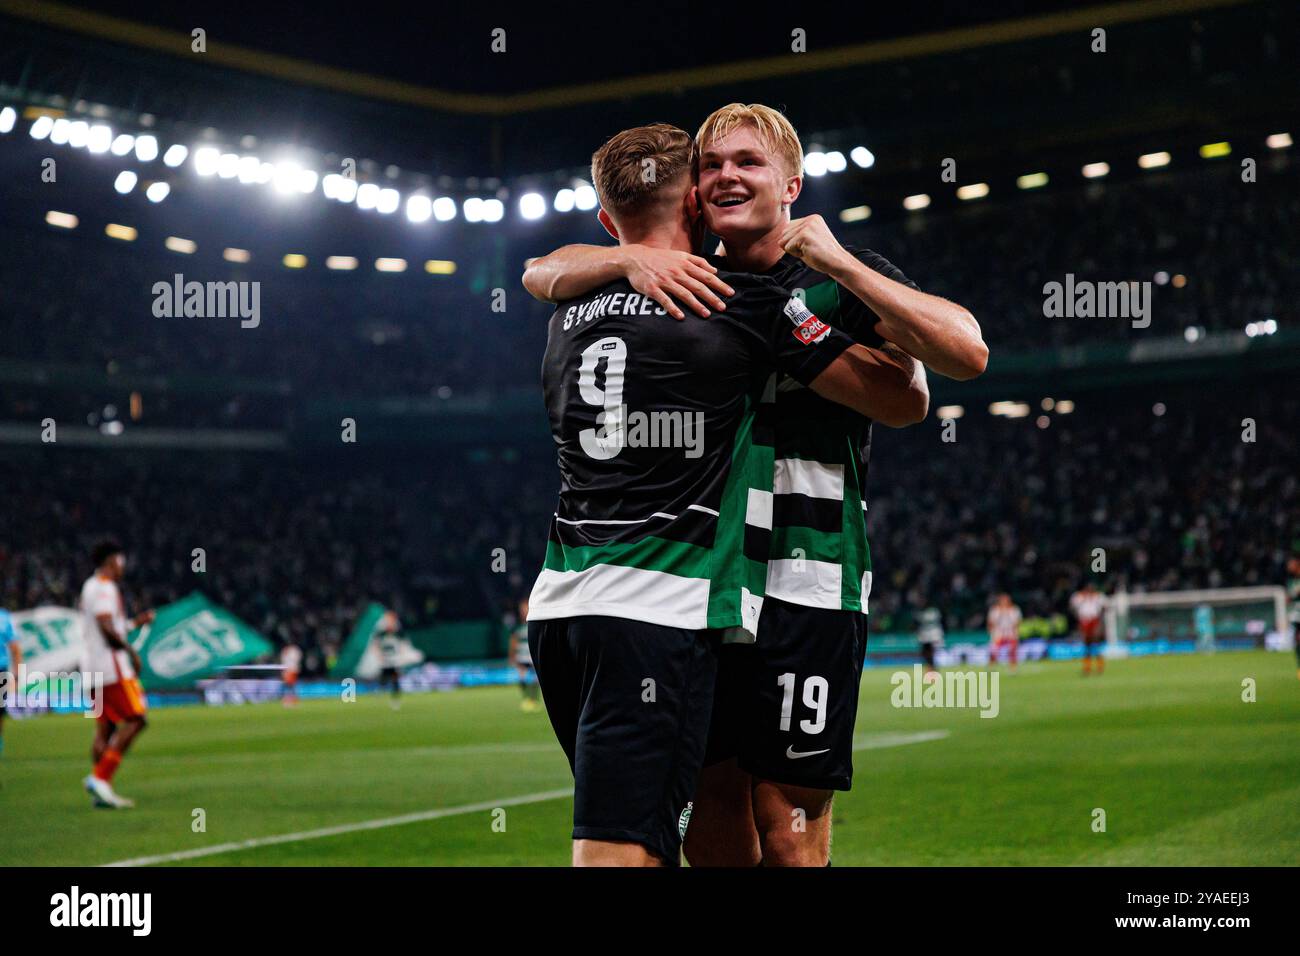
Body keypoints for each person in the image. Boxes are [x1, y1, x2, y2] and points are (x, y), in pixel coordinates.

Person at [525, 103, 983, 866]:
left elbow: (956, 360)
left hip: (810, 576)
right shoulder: (685, 281)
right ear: (695, 195)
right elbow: (544, 268)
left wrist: (839, 264)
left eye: (748, 162)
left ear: (792, 183)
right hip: (709, 591)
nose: (727, 175)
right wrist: (628, 259)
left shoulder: (834, 281)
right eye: (712, 166)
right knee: (712, 823)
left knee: (790, 831)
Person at [79, 538, 154, 809]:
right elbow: (106, 627)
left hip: (91, 668)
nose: (123, 565)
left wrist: (136, 622)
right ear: (111, 561)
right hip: (111, 668)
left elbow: (113, 625)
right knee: (137, 719)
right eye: (121, 560)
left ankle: (100, 791)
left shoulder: (90, 586)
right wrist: (131, 652)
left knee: (105, 728)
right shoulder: (104, 587)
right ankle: (100, 779)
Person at [507, 599, 540, 712]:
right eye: (522, 609)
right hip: (522, 657)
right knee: (522, 679)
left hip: (533, 657)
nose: (524, 611)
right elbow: (513, 642)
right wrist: (512, 657)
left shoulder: (535, 624)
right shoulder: (517, 627)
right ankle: (526, 699)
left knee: (536, 680)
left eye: (526, 608)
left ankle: (534, 699)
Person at [1069, 581, 1106, 675]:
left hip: (1094, 620)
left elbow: (1103, 608)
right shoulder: (1079, 596)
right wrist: (1078, 618)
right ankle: (1087, 667)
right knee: (1087, 645)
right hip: (1084, 621)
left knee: (1096, 644)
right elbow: (1072, 607)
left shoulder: (1098, 596)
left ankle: (1099, 667)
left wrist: (1100, 623)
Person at [0, 608, 20, 764]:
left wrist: (18, 673)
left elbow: (14, 647)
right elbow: (15, 648)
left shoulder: (4, 616)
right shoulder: (4, 617)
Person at [987, 593, 1022, 672]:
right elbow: (991, 622)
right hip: (998, 633)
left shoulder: (1014, 610)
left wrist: (1016, 632)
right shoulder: (995, 610)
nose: (1004, 602)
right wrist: (991, 631)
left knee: (1012, 651)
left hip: (1011, 633)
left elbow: (1017, 622)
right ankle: (991, 668)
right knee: (994, 651)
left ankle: (1013, 669)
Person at [376, 611, 404, 709]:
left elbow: (401, 643)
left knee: (395, 681)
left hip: (394, 661)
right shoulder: (382, 635)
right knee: (383, 680)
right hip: (385, 662)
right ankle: (380, 694)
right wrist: (380, 656)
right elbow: (376, 642)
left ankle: (395, 700)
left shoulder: (397, 635)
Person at [917, 606, 945, 681]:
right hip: (925, 635)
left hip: (933, 635)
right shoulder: (919, 611)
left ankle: (933, 672)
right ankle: (930, 671)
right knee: (926, 654)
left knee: (931, 654)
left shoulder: (933, 611)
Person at [280, 641, 301, 707]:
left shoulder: (294, 650)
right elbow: (283, 660)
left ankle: (290, 699)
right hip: (288, 670)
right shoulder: (287, 651)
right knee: (289, 685)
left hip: (291, 669)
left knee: (290, 685)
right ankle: (291, 699)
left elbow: (294, 660)